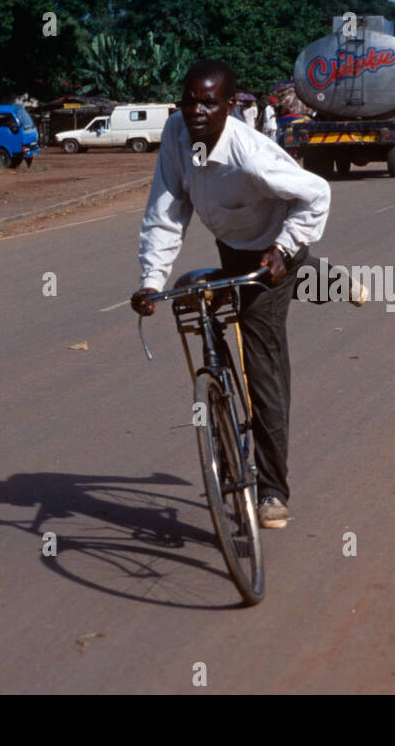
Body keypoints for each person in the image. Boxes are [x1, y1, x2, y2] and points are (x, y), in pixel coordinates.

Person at [130, 60, 331, 530]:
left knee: (262, 366)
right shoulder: (176, 137)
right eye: (189, 100)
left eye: (209, 102)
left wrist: (284, 248)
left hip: (275, 246)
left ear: (229, 105)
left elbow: (316, 194)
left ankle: (272, 492)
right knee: (204, 318)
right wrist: (151, 281)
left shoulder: (251, 152)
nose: (197, 111)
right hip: (234, 246)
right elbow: (166, 211)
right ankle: (220, 427)